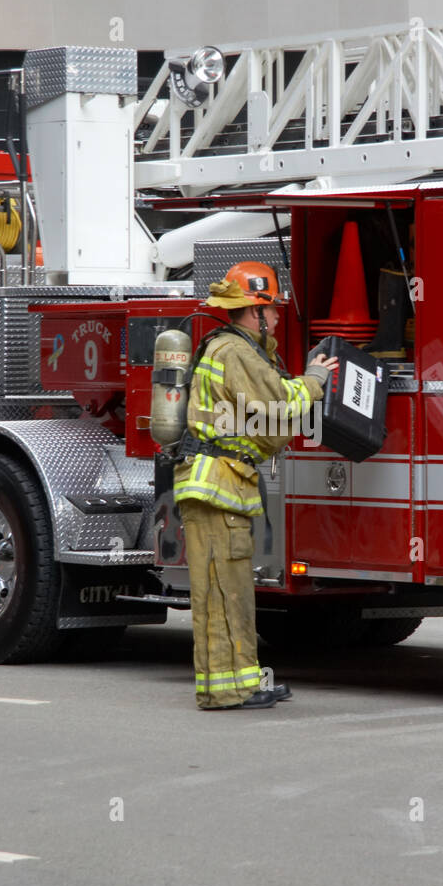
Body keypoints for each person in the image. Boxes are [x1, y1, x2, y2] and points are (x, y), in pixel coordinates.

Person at [174, 261, 338, 711]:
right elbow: (280, 402)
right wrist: (317, 381)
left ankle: (240, 684)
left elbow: (262, 417)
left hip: (223, 488)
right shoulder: (235, 352)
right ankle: (227, 690)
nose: (279, 319)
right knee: (223, 593)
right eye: (274, 310)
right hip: (216, 489)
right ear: (254, 311)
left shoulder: (234, 350)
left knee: (232, 592)